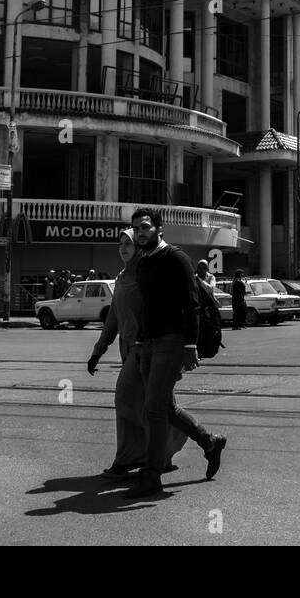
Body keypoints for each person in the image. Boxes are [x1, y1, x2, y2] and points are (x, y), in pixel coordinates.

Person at [124, 207, 227, 500]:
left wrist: (191, 346)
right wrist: (141, 342)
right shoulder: (143, 263)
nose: (140, 233)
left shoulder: (176, 259)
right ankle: (210, 442)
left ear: (158, 228)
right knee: (165, 408)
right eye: (136, 228)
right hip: (150, 343)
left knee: (154, 409)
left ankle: (151, 476)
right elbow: (146, 307)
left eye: (144, 227)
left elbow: (192, 304)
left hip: (173, 341)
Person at [88, 228, 187, 479]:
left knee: (125, 399)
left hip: (150, 349)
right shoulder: (122, 277)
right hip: (130, 350)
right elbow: (113, 317)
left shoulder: (149, 275)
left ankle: (127, 460)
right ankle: (201, 442)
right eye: (120, 244)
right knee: (159, 407)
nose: (123, 248)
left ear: (139, 248)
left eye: (128, 244)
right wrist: (98, 351)